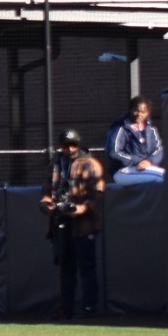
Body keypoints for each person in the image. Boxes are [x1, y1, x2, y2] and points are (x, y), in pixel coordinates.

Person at [40, 128, 105, 317]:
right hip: (61, 223)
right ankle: (66, 309)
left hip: (84, 225)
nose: (69, 149)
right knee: (65, 269)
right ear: (60, 146)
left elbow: (97, 194)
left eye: (73, 145)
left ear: (78, 144)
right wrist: (47, 206)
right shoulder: (54, 166)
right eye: (66, 145)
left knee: (87, 267)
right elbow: (46, 193)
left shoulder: (90, 164)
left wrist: (81, 208)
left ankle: (89, 309)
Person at [106, 95, 165, 183]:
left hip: (146, 168)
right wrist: (139, 162)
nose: (139, 114)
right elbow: (113, 152)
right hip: (123, 170)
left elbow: (158, 150)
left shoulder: (151, 129)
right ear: (130, 110)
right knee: (161, 177)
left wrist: (149, 161)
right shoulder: (120, 128)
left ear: (148, 112)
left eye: (143, 112)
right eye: (136, 111)